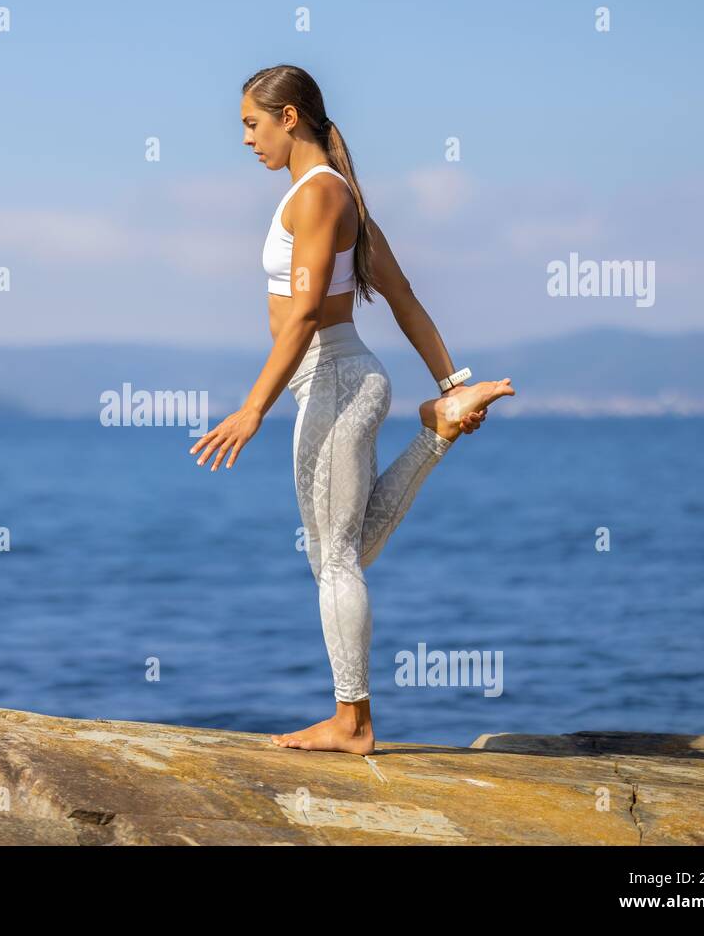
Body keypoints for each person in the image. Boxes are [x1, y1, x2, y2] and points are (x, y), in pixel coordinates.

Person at [189, 64, 516, 755]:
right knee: (338, 550)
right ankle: (438, 427)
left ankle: (353, 721)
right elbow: (402, 296)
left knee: (335, 558)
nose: (246, 140)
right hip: (333, 379)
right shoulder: (342, 199)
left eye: (252, 124)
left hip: (335, 375)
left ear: (288, 118)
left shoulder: (318, 197)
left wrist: (251, 410)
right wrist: (451, 382)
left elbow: (306, 312)